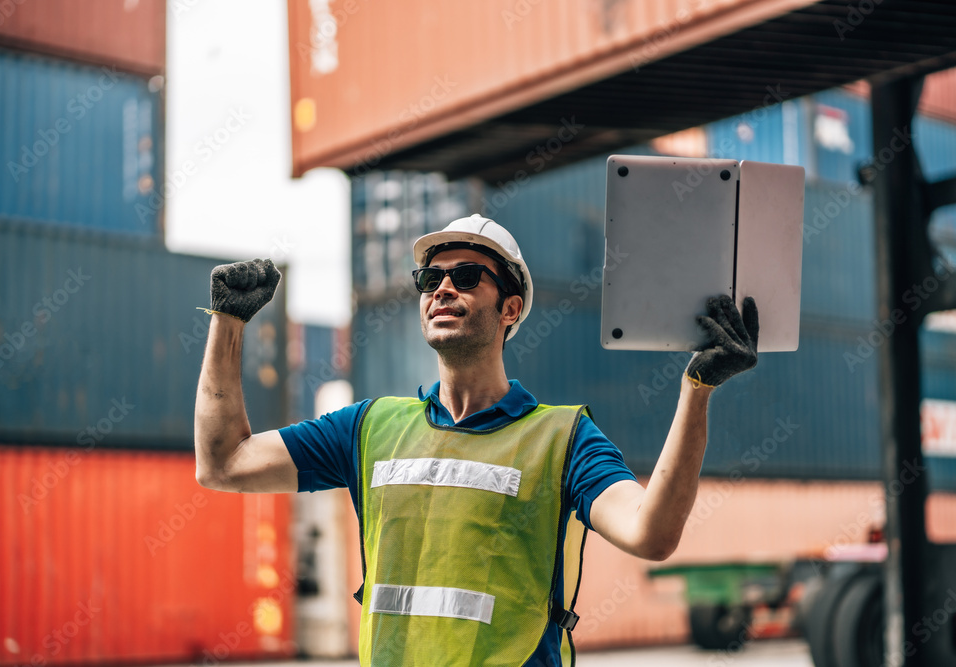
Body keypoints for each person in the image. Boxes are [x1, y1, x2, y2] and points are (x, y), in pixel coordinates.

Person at [193, 214, 759, 667]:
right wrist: (229, 322)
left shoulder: (562, 439)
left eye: (466, 277)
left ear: (510, 309)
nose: (442, 288)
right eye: (430, 278)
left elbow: (650, 533)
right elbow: (224, 464)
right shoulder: (369, 427)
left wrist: (698, 388)